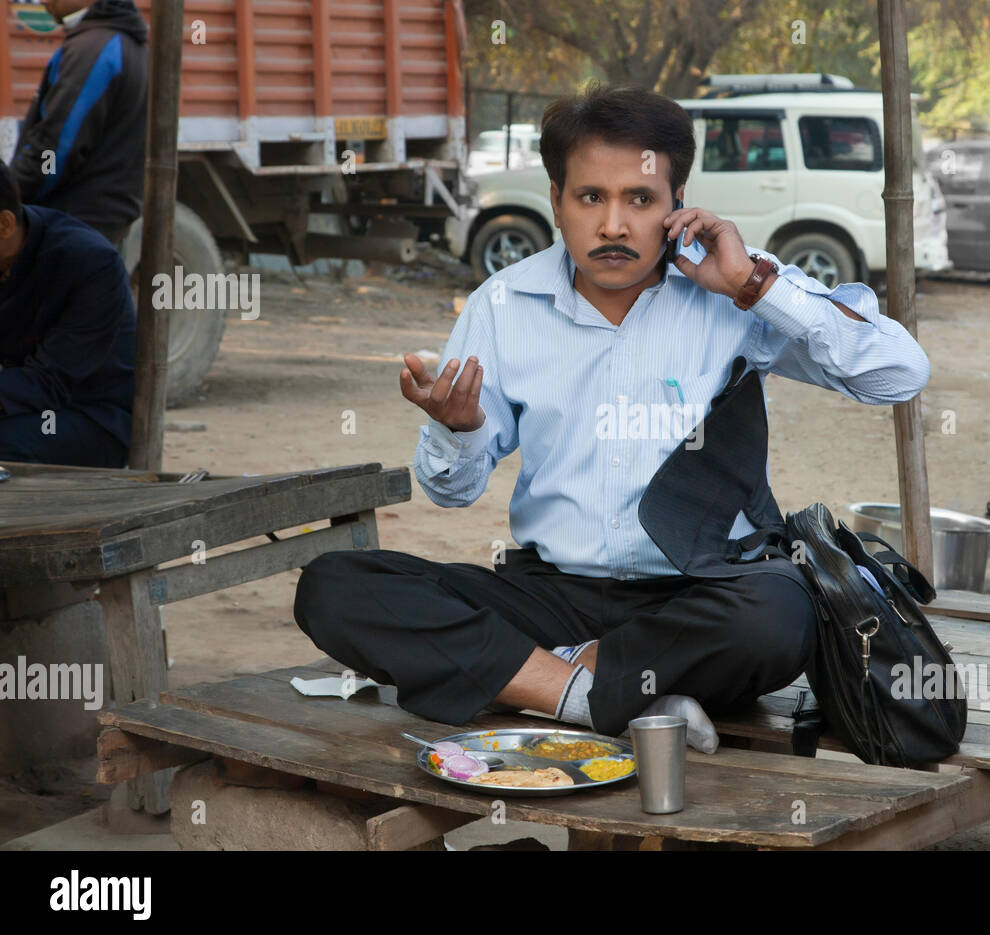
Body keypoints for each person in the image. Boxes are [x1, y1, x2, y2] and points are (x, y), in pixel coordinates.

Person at [293, 83, 931, 753]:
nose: (614, 226)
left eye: (641, 199)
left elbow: (897, 374)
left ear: (678, 206)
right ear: (556, 201)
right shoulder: (503, 305)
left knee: (782, 615)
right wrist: (458, 428)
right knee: (334, 586)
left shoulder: (732, 295)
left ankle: (550, 676)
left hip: (698, 597)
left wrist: (754, 284)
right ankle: (593, 696)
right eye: (590, 197)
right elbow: (452, 492)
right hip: (550, 595)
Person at [0, 160, 136, 467]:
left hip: (90, 416)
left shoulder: (90, 263)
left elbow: (50, 382)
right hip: (23, 407)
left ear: (5, 225)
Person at [8, 1, 148, 249]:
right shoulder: (122, 42)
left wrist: (11, 197)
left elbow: (57, 147)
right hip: (94, 225)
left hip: (73, 226)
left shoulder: (95, 50)